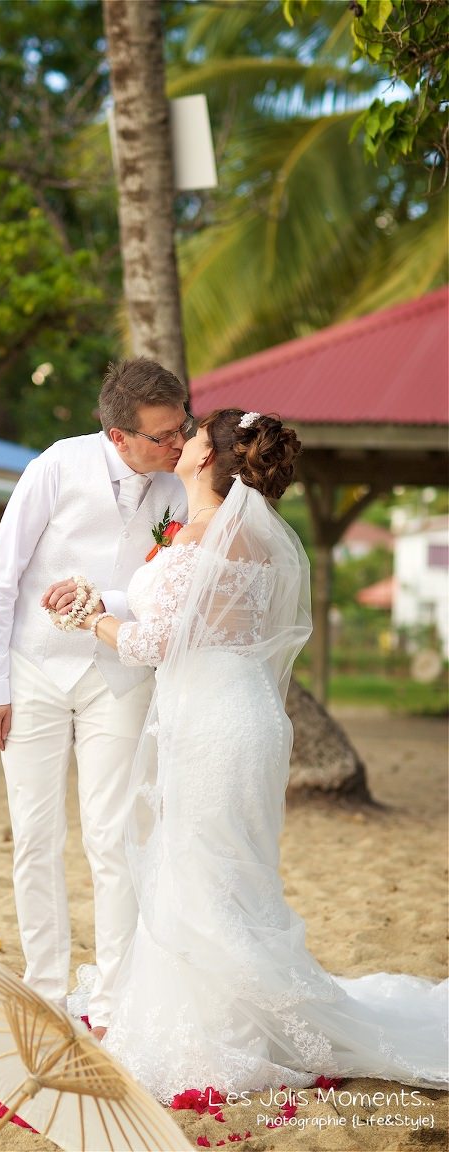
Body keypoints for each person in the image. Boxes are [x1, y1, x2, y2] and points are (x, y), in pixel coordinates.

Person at [63, 408, 447, 1098]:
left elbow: (154, 646)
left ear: (209, 459)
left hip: (215, 722)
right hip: (242, 715)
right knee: (224, 872)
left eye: (193, 437)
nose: (181, 443)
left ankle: (224, 1036)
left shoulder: (206, 538)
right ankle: (229, 1019)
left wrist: (88, 618)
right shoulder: (249, 539)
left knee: (204, 872)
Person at [0, 357, 191, 1037]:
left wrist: (107, 603)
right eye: (163, 436)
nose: (178, 445)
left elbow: (170, 582)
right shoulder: (56, 467)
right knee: (36, 837)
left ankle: (114, 1001)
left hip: (118, 675)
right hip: (33, 670)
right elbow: (1, 576)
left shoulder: (176, 489)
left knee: (113, 838)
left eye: (181, 429)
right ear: (119, 436)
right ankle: (45, 988)